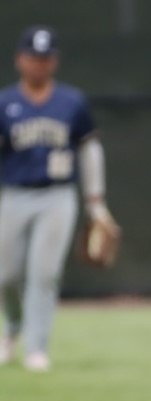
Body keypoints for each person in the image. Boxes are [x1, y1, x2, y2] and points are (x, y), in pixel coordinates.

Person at [0, 25, 119, 371]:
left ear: (55, 61)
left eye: (45, 58)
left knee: (45, 273)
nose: (39, 64)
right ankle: (12, 328)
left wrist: (95, 201)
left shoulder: (72, 102)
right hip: (13, 195)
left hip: (57, 197)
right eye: (33, 57)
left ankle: (37, 347)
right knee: (6, 275)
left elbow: (90, 149)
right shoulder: (5, 102)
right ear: (19, 60)